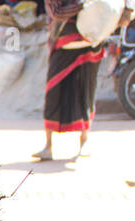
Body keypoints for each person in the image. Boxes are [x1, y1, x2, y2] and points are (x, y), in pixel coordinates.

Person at [33, 0, 109, 160]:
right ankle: (48, 146)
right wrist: (84, 5)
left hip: (92, 41)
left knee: (87, 90)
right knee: (53, 91)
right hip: (63, 44)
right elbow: (57, 13)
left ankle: (84, 142)